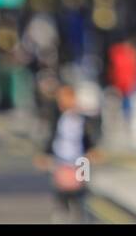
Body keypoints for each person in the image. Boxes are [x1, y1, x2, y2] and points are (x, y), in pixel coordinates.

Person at [36, 84, 99, 223]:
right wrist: (45, 155)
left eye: (66, 98)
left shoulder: (82, 118)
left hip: (81, 161)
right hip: (61, 160)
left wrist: (92, 151)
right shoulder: (57, 118)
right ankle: (62, 216)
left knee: (82, 192)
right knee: (61, 192)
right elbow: (51, 137)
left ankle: (84, 217)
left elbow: (87, 138)